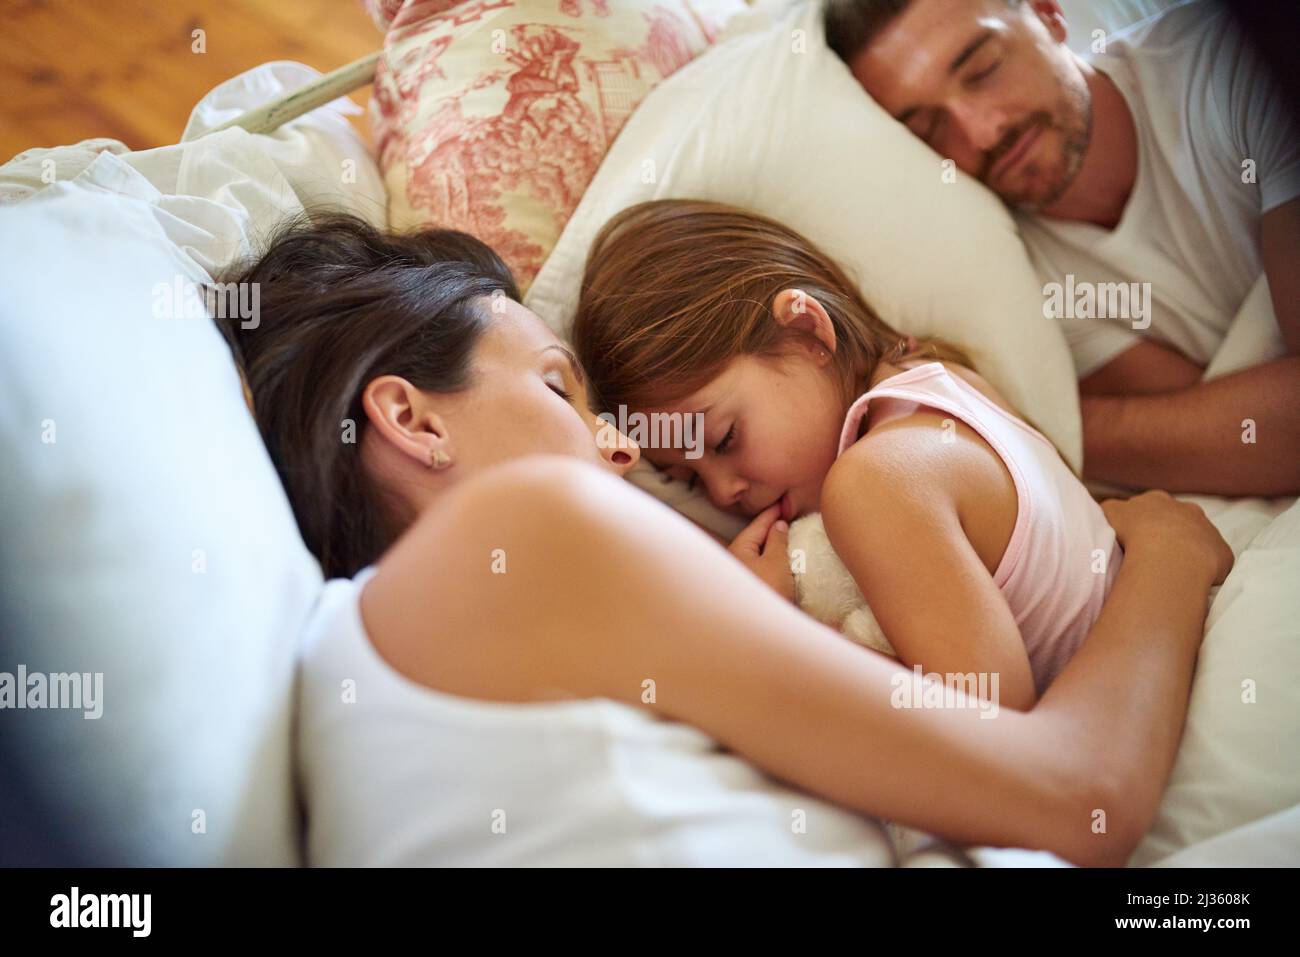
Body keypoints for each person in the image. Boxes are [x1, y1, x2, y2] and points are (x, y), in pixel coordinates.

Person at [216, 212, 1232, 867]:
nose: (622, 449)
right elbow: (1079, 801)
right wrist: (1174, 558)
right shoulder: (527, 529)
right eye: (557, 387)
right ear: (414, 420)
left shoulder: (374, 652)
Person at [572, 198, 1122, 709]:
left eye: (722, 439)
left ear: (810, 332)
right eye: (688, 480)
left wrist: (769, 626)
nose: (723, 492)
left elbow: (991, 729)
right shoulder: (938, 379)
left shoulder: (875, 481)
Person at [825, 0, 1300, 496]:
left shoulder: (1235, 65)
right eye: (929, 128)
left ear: (1048, 13)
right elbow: (1244, 442)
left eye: (983, 69)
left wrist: (1045, 425)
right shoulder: (1008, 274)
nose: (982, 131)